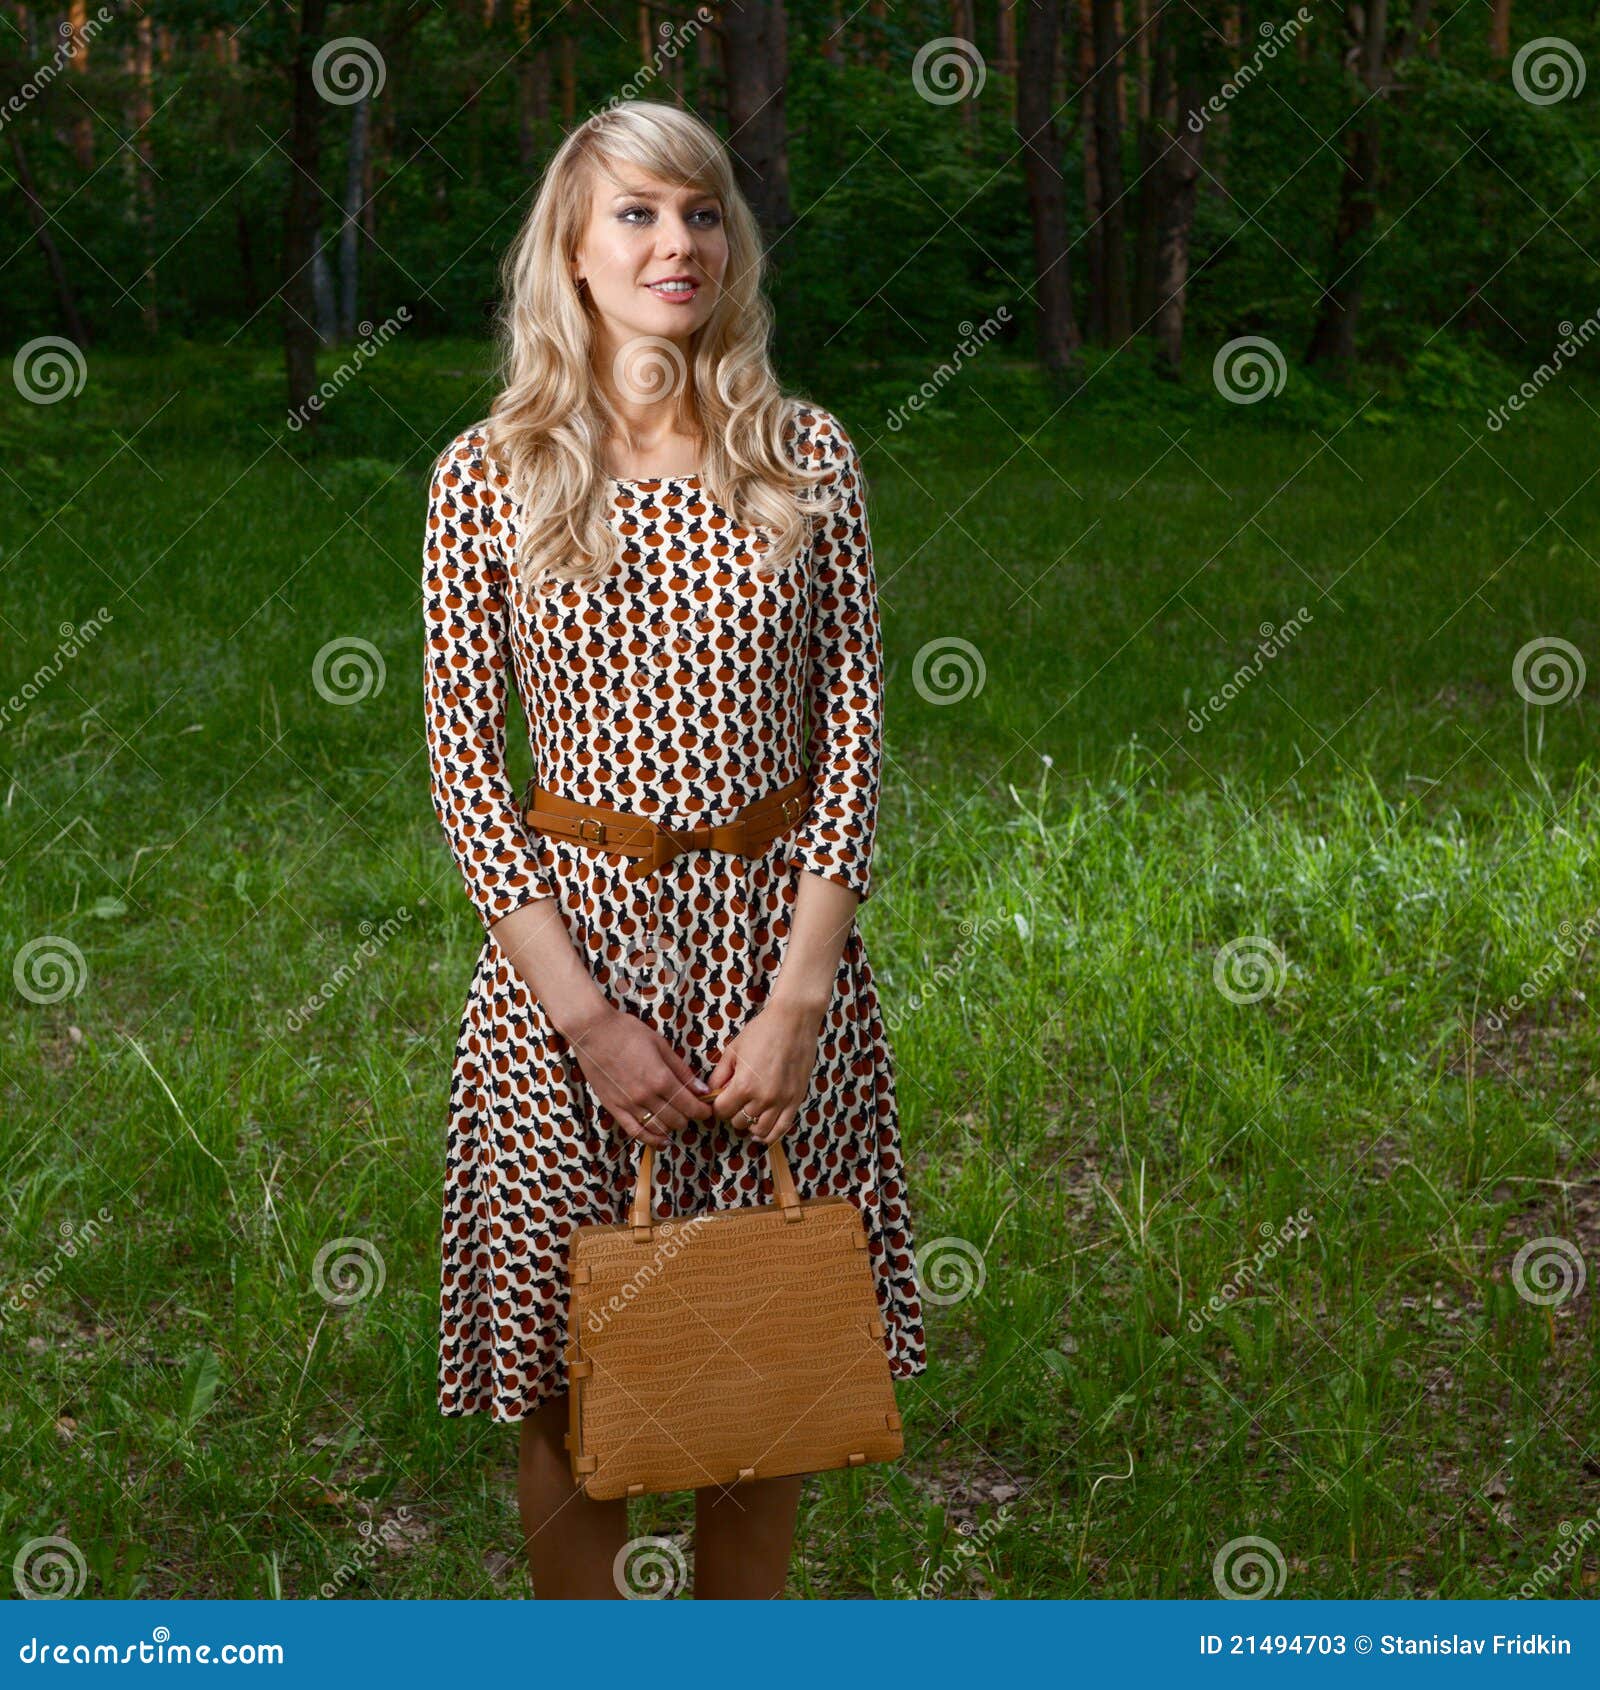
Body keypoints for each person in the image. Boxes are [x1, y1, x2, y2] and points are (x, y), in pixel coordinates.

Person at [422, 99, 926, 1600]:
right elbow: (461, 761)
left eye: (701, 212)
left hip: (773, 949)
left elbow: (855, 734)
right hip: (563, 966)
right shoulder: (487, 472)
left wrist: (797, 1005)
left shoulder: (802, 452)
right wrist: (585, 1021)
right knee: (577, 1376)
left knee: (759, 1363)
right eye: (636, 214)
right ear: (571, 255)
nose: (676, 244)